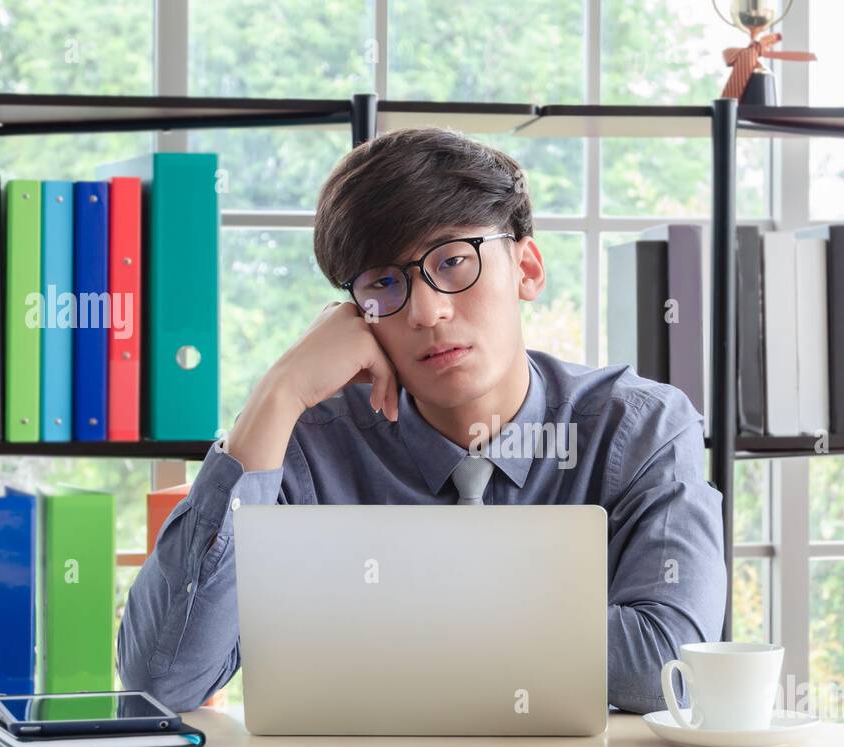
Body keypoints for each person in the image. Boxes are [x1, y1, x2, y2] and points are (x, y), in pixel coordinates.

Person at [117, 126, 727, 715]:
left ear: (528, 269)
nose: (429, 311)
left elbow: (669, 666)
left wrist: (394, 605)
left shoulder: (638, 429)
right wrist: (275, 395)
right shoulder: (306, 444)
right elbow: (162, 680)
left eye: (455, 262)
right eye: (385, 283)